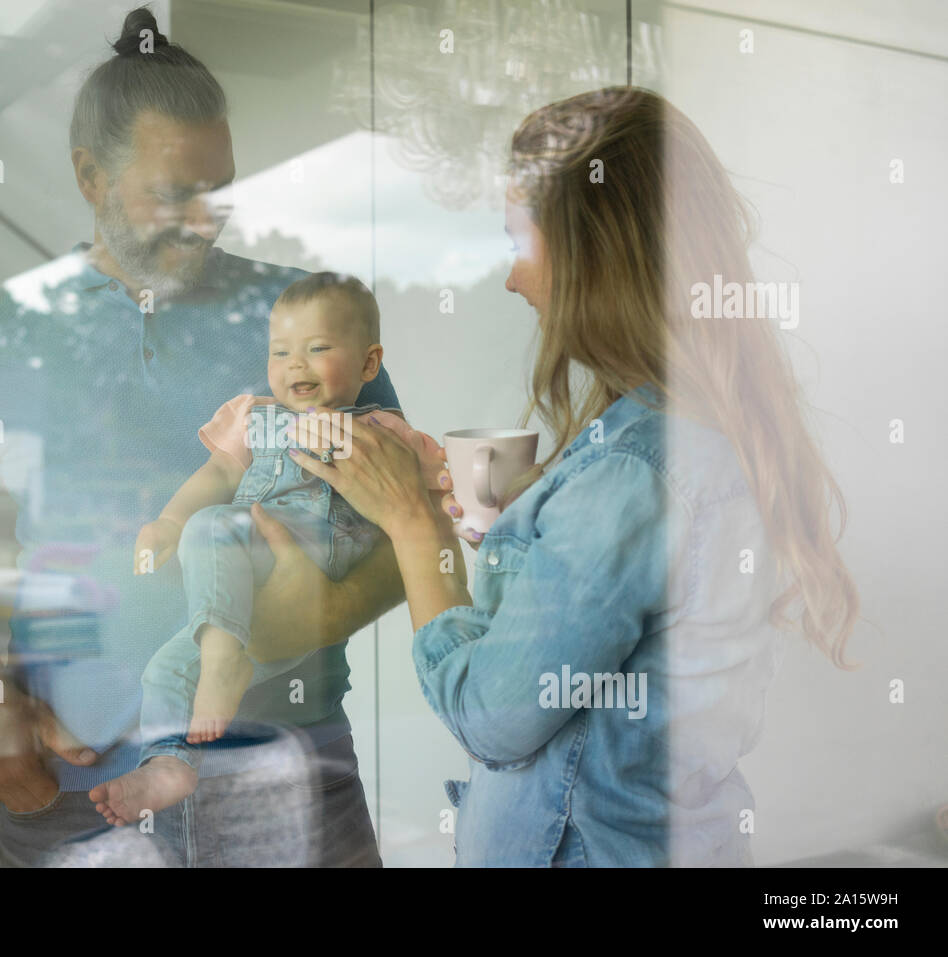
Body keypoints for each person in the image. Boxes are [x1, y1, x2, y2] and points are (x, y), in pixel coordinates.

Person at [0, 8, 434, 867]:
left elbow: (412, 529)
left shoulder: (311, 318)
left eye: (218, 190)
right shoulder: (2, 330)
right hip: (78, 799)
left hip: (292, 785)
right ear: (90, 177)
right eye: (173, 193)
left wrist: (314, 610)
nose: (203, 220)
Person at [286, 86, 859, 866]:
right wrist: (501, 516)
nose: (513, 279)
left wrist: (414, 527)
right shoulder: (688, 439)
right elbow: (612, 609)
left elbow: (491, 713)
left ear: (591, 248)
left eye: (519, 241)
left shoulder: (631, 470)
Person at [91, 273, 437, 825]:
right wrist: (169, 520)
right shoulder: (255, 417)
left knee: (213, 528)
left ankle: (224, 659)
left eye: (318, 349)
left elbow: (434, 502)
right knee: (163, 670)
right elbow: (221, 469)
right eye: (281, 352)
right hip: (249, 582)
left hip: (320, 567)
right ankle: (168, 763)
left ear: (369, 364)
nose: (295, 365)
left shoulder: (382, 430)